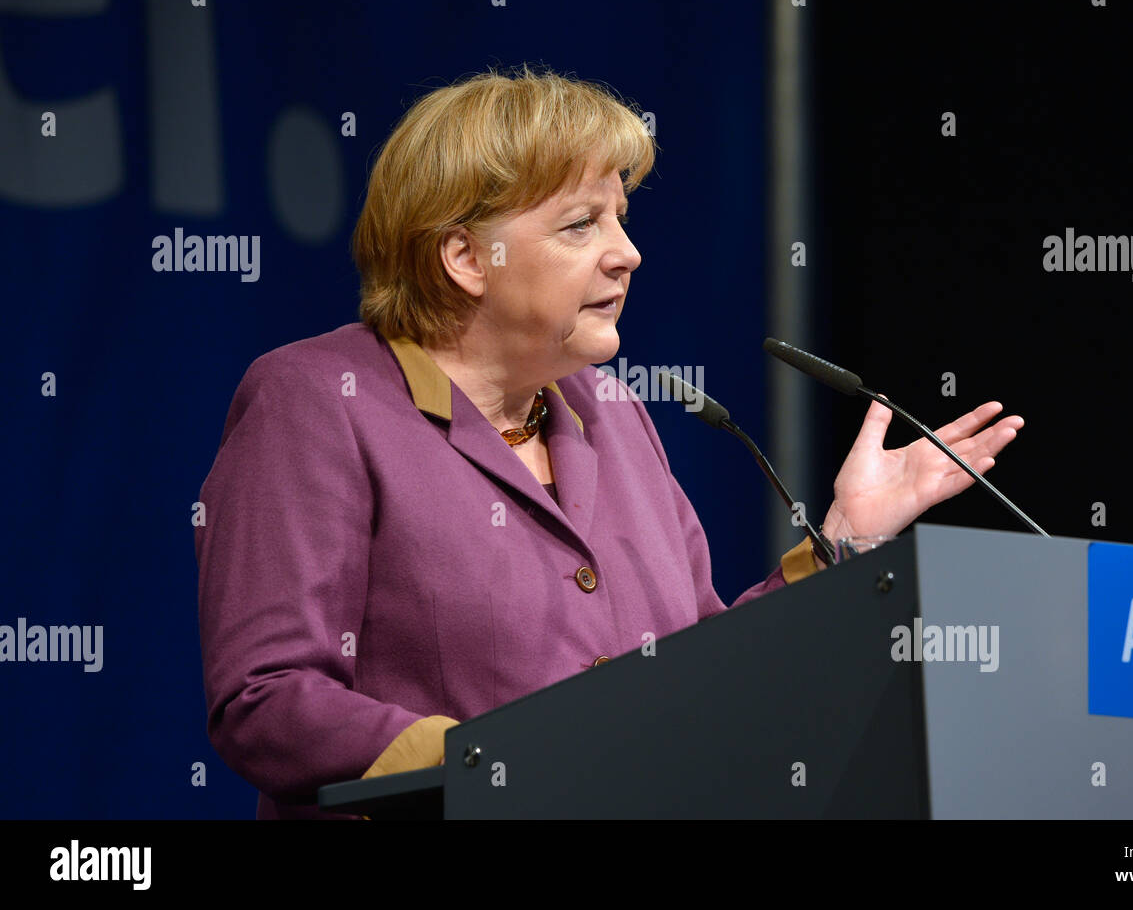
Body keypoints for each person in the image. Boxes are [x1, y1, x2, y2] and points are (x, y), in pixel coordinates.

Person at [195, 66, 1023, 819]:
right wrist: (489, 767)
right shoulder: (319, 400)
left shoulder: (615, 417)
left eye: (620, 220)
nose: (627, 254)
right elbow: (267, 697)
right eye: (580, 225)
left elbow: (702, 680)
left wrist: (844, 539)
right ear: (464, 256)